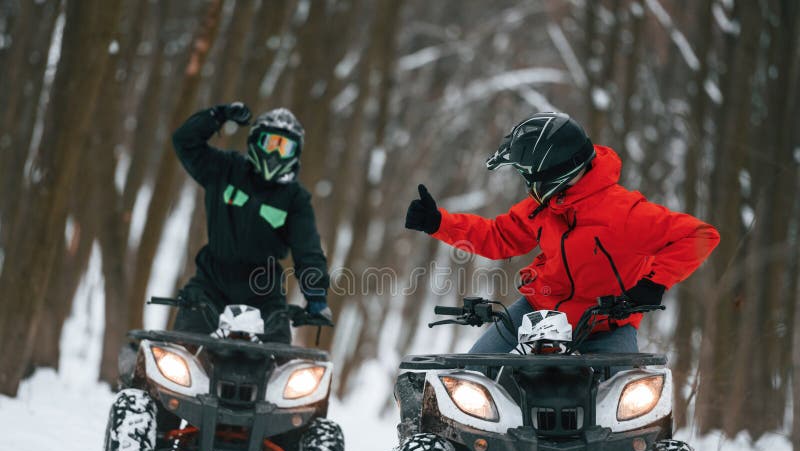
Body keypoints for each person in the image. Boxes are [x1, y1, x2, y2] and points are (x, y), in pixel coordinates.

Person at [405, 111, 719, 354]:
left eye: (528, 177)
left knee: (627, 411)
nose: (527, 185)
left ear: (553, 172)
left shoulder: (624, 213)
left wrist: (654, 283)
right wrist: (439, 223)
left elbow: (699, 235)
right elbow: (499, 236)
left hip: (606, 324)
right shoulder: (543, 207)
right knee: (472, 375)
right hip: (536, 312)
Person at [172, 102, 332, 342]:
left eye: (284, 147)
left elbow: (308, 250)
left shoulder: (296, 200)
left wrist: (316, 297)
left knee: (280, 363)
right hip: (210, 284)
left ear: (295, 154)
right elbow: (185, 142)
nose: (275, 153)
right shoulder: (225, 169)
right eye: (270, 143)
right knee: (182, 349)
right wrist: (217, 116)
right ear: (256, 141)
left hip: (264, 294)